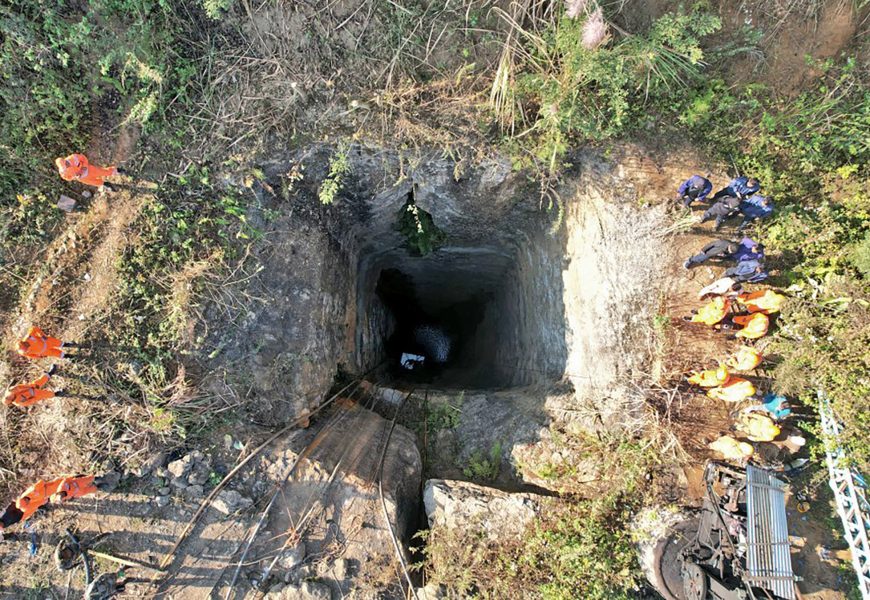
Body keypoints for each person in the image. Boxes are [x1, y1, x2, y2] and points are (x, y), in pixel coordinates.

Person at [55, 154, 120, 189]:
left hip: (89, 170)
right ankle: (106, 184)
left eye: (65, 165)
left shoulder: (73, 157)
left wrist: (84, 167)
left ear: (65, 161)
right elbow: (67, 178)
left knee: (104, 172)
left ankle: (117, 170)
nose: (66, 167)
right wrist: (74, 177)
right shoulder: (62, 172)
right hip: (82, 178)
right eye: (64, 167)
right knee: (94, 182)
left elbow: (83, 158)